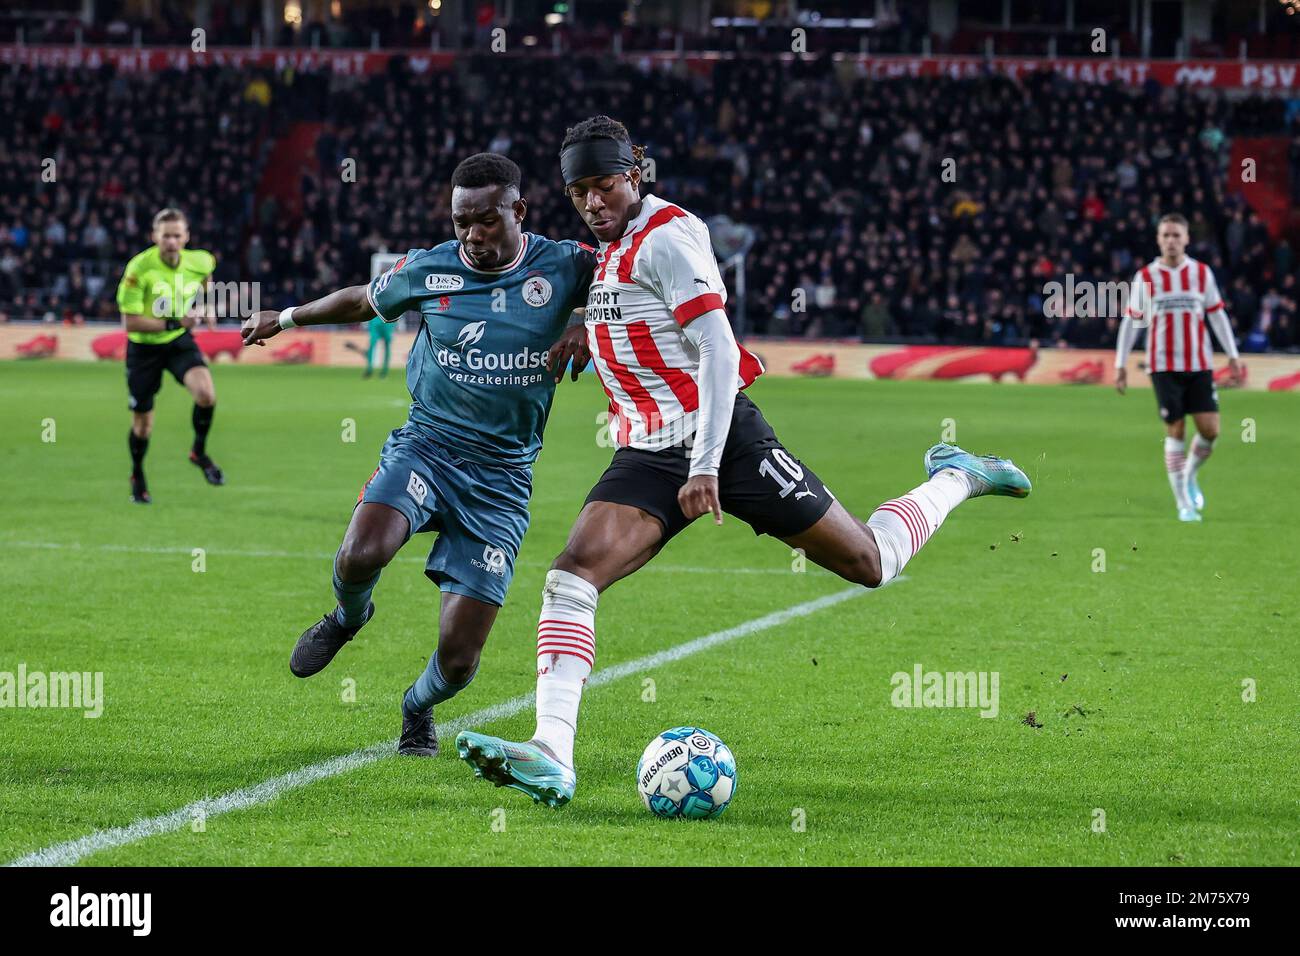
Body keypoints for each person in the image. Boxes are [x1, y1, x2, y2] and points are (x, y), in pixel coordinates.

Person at [455, 116, 1032, 807]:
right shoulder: (612, 250)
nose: (592, 202)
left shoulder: (668, 237)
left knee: (871, 564)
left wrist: (704, 467)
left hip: (723, 442)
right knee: (571, 577)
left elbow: (719, 350)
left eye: (604, 185)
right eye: (578, 192)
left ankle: (957, 475)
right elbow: (632, 312)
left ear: (633, 176)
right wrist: (588, 327)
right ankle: (552, 751)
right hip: (649, 451)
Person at [240, 153, 595, 756]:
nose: (473, 235)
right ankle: (347, 619)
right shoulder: (431, 269)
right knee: (361, 551)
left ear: (519, 211)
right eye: (462, 222)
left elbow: (623, 280)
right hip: (427, 446)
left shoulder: (564, 264)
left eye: (487, 220)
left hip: (501, 480)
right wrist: (288, 317)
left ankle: (416, 706)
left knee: (458, 661)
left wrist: (588, 318)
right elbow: (360, 300)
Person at [1114, 213, 1243, 522]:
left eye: (1176, 235)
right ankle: (1184, 503)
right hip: (1163, 366)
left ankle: (1188, 474)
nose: (1171, 240)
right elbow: (1132, 321)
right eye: (1166, 235)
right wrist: (1120, 363)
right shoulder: (1145, 276)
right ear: (1159, 240)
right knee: (1176, 429)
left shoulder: (1201, 273)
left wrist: (1233, 355)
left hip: (1199, 364)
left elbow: (1216, 315)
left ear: (1187, 239)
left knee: (1210, 431)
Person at [115, 208, 223, 504]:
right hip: (143, 348)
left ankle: (198, 452)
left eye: (177, 236)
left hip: (177, 342)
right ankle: (137, 473)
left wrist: (208, 305)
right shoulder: (139, 269)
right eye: (166, 236)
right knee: (143, 424)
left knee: (206, 394)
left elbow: (206, 278)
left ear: (186, 236)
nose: (172, 242)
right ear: (155, 237)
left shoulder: (200, 260)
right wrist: (178, 322)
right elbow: (130, 322)